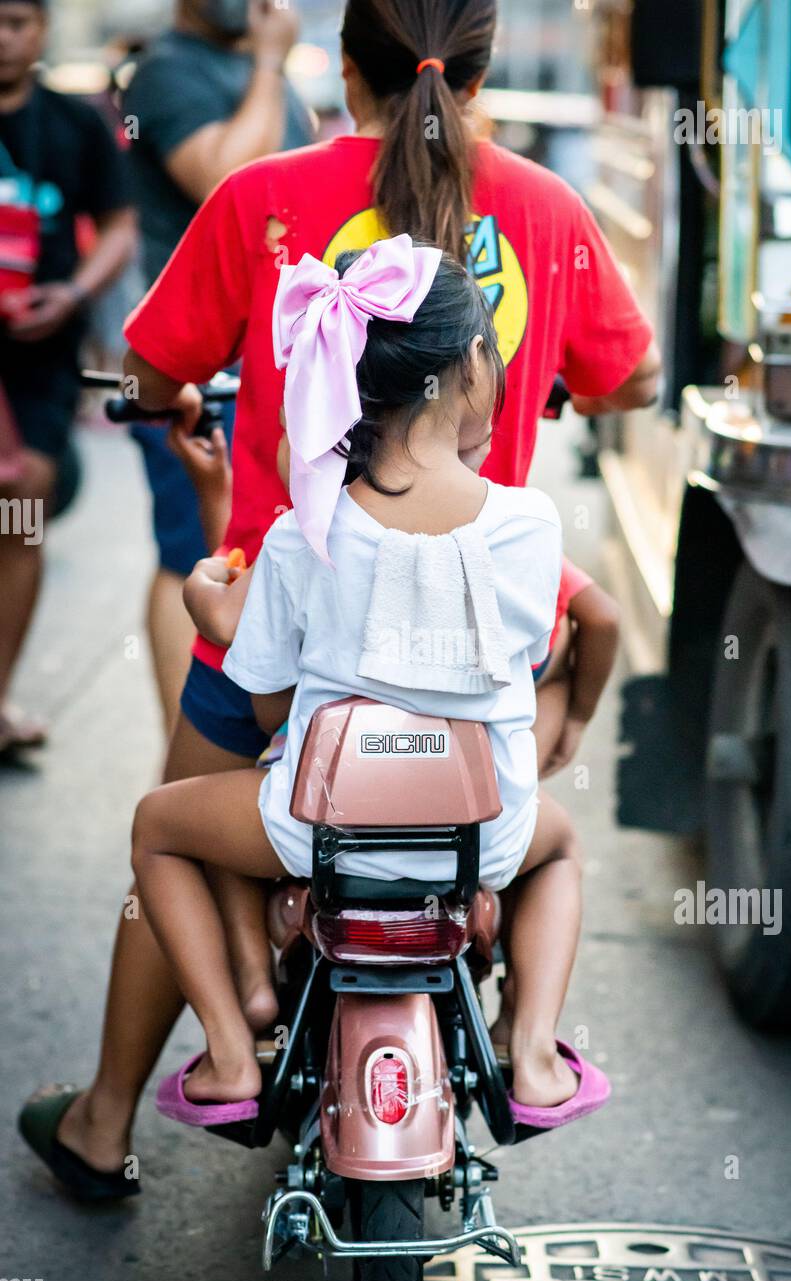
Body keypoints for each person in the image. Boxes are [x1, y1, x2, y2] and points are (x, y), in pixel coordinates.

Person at [19, 0, 658, 1198]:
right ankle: (525, 1039)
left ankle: (107, 1122)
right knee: (527, 838)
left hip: (279, 589)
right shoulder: (548, 208)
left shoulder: (263, 196)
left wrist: (188, 403)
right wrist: (552, 394)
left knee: (176, 816)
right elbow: (633, 380)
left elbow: (156, 369)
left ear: (345, 71)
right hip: (485, 621)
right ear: (471, 80)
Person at [132, 235, 610, 1125]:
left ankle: (234, 1052)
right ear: (473, 362)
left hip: (323, 835)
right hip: (483, 834)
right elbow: (520, 668)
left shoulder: (301, 536)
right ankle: (535, 1051)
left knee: (159, 826)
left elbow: (272, 708)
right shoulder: (528, 528)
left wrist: (214, 621)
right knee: (565, 848)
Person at [123, 0, 314, 728]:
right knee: (189, 553)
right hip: (194, 369)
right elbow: (228, 179)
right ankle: (187, 748)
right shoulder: (167, 71)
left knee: (249, 553)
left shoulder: (258, 65)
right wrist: (271, 61)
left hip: (269, 368)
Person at [0, 0, 135, 754]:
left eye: (18, 20)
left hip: (37, 360)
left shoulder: (75, 126)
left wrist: (76, 293)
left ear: (42, 29)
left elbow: (116, 224)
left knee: (20, 509)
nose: (5, 36)